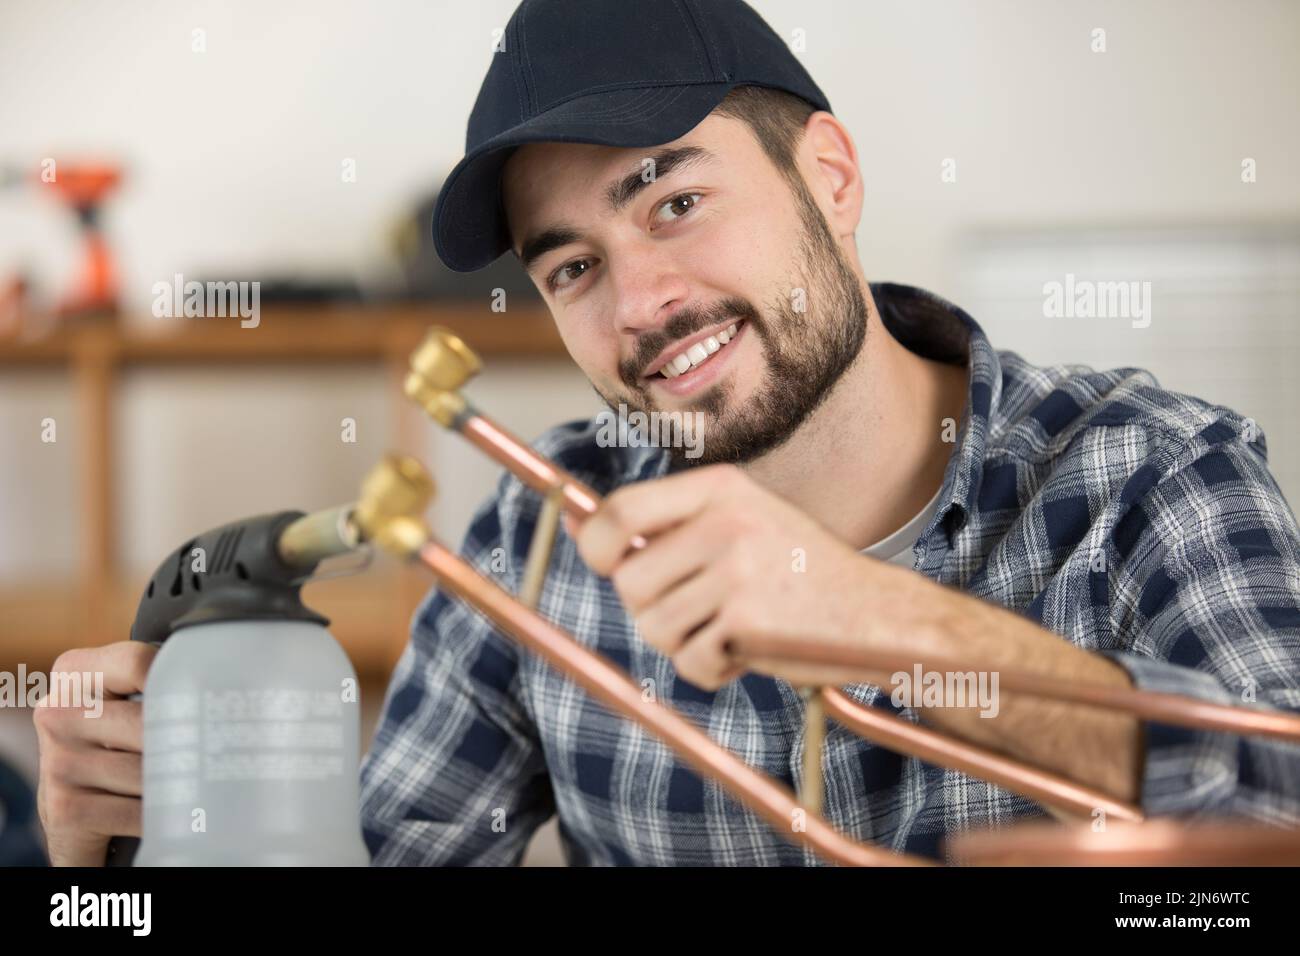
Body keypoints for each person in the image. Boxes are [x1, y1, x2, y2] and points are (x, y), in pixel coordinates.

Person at [35, 0, 1300, 866]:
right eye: (573, 267)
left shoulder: (1151, 471)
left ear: (834, 179)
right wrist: (112, 867)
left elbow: (1278, 794)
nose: (641, 305)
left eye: (678, 200)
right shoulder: (539, 532)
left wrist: (880, 616)